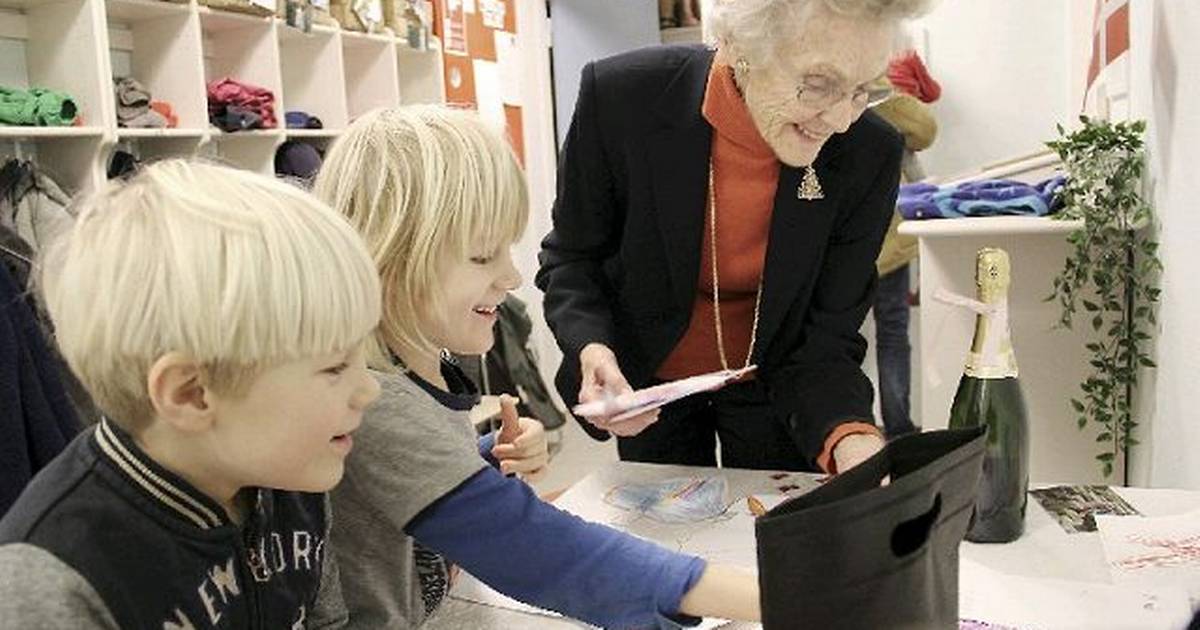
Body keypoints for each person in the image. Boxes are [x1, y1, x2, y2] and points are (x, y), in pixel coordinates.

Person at [314, 105, 760, 629]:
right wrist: (783, 596)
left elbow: (399, 491)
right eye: (482, 257)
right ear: (392, 256)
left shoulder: (411, 370)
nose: (510, 276)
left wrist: (479, 463)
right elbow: (548, 555)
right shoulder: (380, 400)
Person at [537, 0, 933, 475]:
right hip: (650, 379)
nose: (841, 121)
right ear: (742, 49)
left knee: (770, 529)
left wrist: (852, 440)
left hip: (778, 381)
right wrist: (593, 349)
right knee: (669, 532)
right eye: (819, 85)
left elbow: (828, 337)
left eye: (863, 91)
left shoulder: (869, 153)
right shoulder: (623, 99)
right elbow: (573, 259)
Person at [0, 160, 382, 628]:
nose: (369, 389)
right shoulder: (53, 581)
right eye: (335, 366)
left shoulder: (288, 476)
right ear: (192, 394)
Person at [871, 83, 939, 439]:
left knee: (840, 341)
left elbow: (926, 131)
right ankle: (895, 428)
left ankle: (854, 430)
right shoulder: (886, 101)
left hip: (864, 242)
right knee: (892, 335)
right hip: (885, 240)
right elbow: (925, 130)